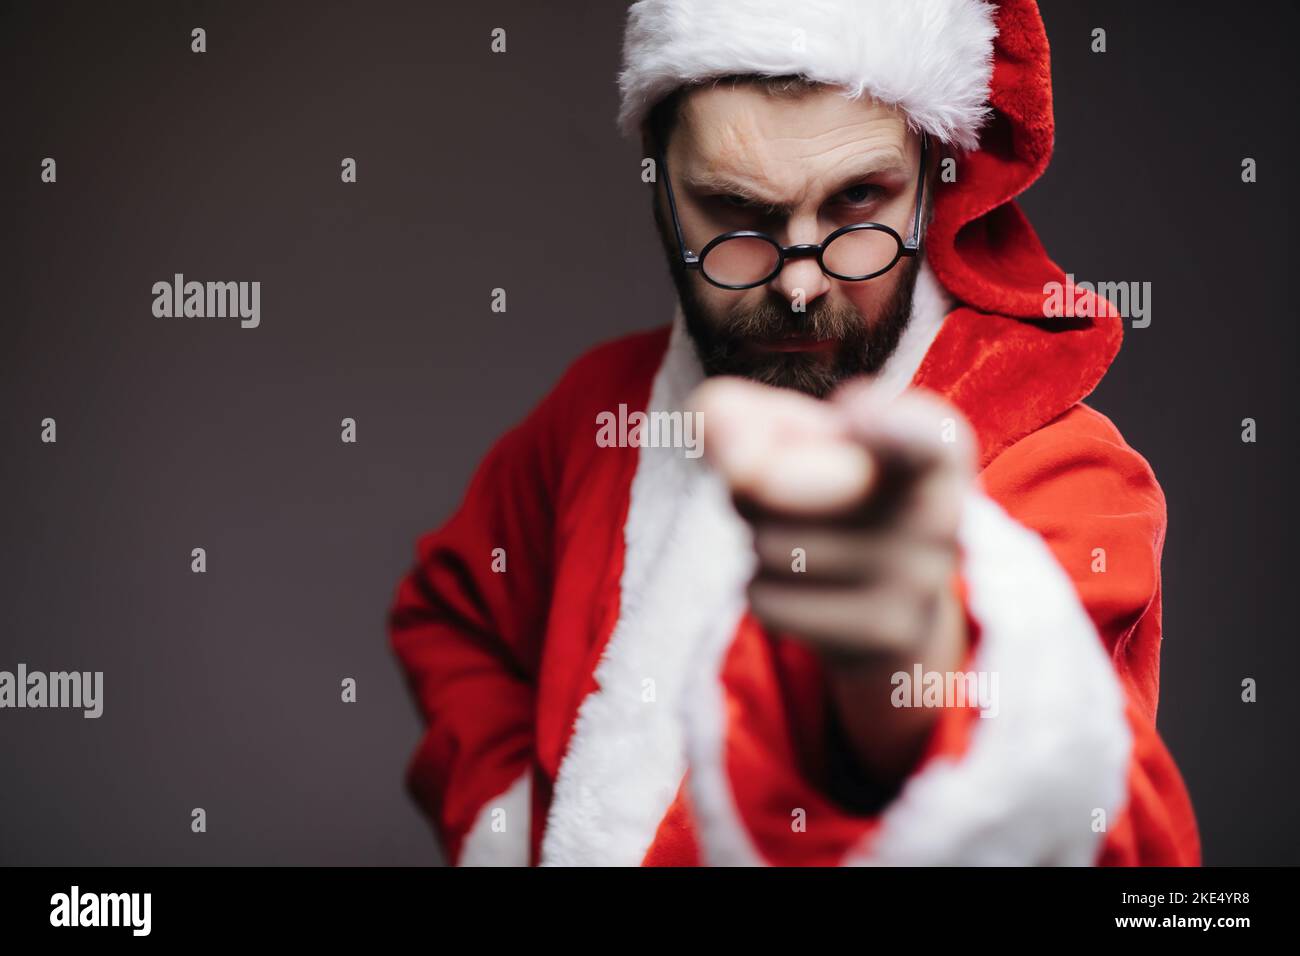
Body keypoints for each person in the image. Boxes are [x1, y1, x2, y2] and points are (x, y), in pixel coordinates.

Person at [388, 0, 1201, 866]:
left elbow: (1115, 839)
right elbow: (454, 617)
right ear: (660, 185)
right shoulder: (599, 408)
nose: (804, 285)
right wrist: (507, 832)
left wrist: (913, 682)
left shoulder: (1069, 478)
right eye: (738, 213)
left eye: (858, 201)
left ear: (936, 176)